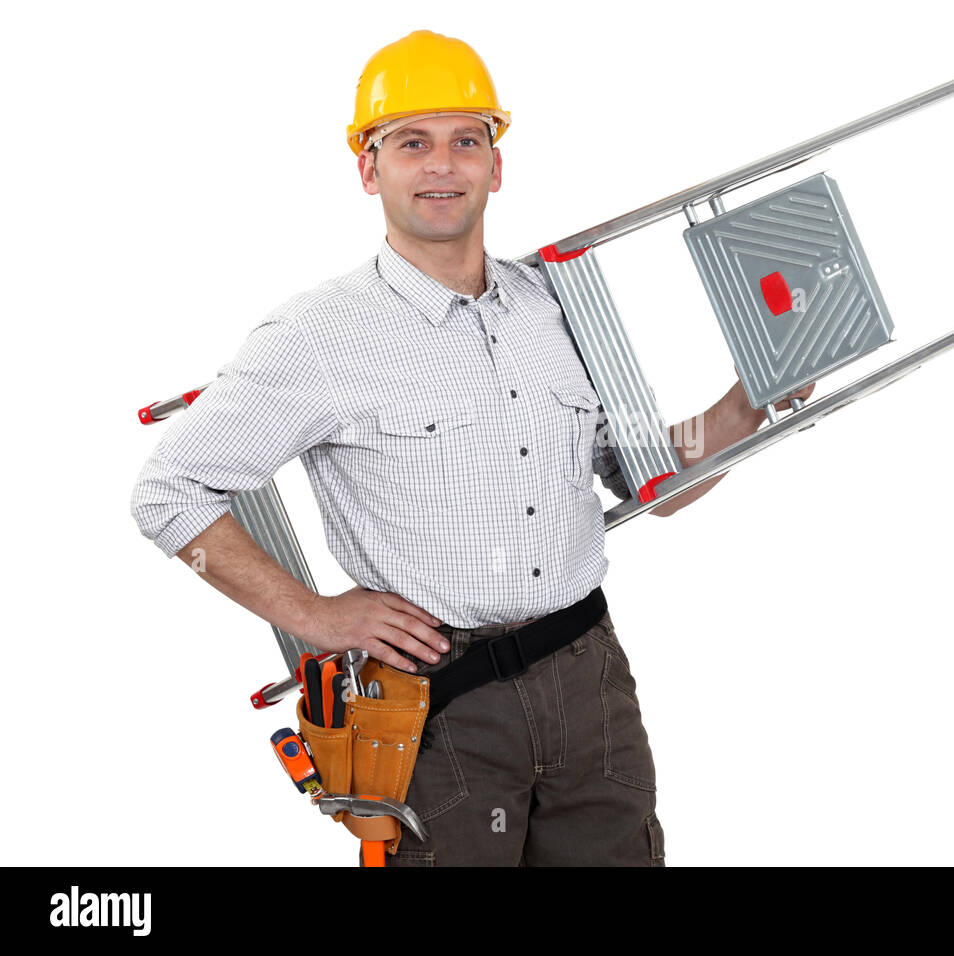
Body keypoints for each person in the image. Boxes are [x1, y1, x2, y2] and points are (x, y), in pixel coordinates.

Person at [130, 29, 813, 866]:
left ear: (496, 164)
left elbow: (647, 479)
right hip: (437, 709)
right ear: (368, 168)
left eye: (466, 141)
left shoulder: (553, 306)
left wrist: (746, 404)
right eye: (411, 143)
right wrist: (313, 615)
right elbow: (167, 492)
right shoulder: (318, 335)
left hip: (588, 680)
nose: (443, 166)